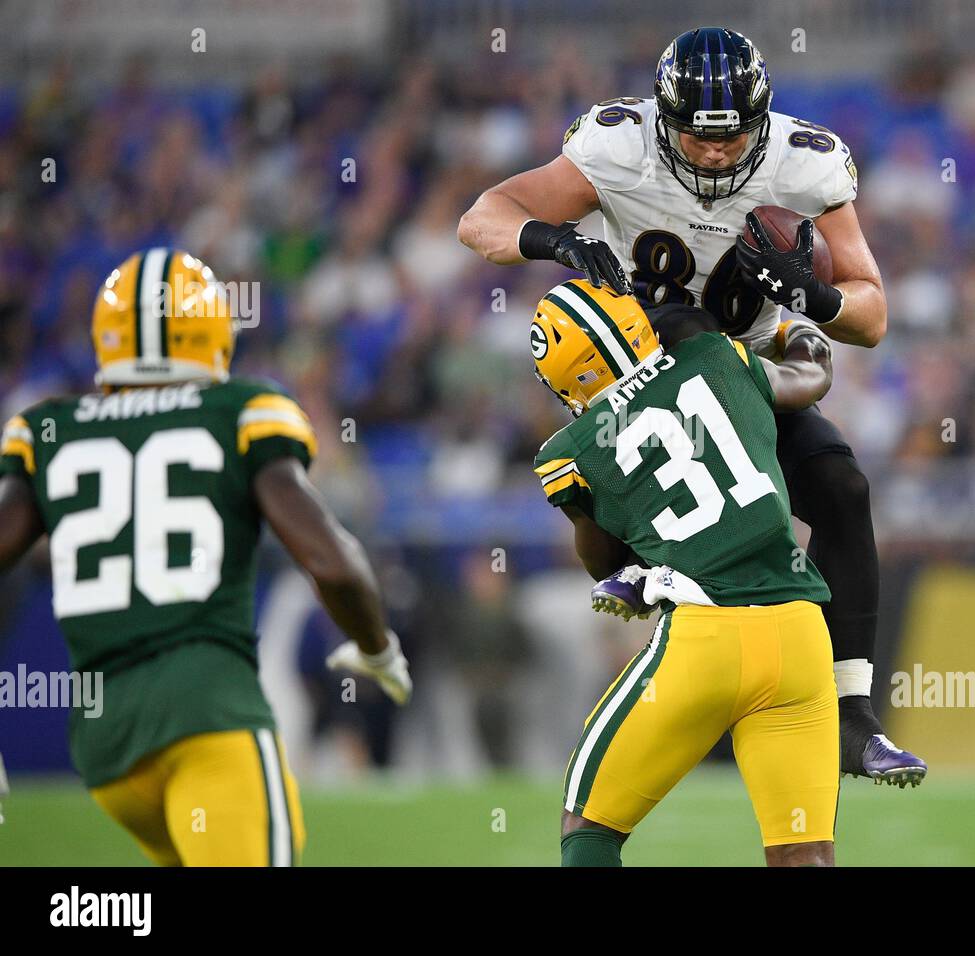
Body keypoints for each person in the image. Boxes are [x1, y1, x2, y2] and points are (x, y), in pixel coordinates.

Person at [460, 26, 925, 785]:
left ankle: (853, 716)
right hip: (648, 383)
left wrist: (807, 292)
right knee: (681, 322)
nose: (713, 153)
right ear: (661, 117)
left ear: (763, 119)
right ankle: (652, 563)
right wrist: (556, 240)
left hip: (748, 372)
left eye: (732, 136)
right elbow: (480, 216)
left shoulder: (802, 163)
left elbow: (871, 318)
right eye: (694, 136)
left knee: (843, 489)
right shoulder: (617, 148)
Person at [0, 248, 411, 865]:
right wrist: (376, 646)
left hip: (107, 748)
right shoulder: (239, 411)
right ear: (214, 330)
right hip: (206, 718)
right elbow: (331, 561)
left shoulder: (51, 429)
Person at [530, 277, 838, 866]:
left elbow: (604, 561)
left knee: (588, 825)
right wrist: (797, 332)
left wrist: (640, 572)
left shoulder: (567, 452)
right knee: (804, 851)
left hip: (706, 640)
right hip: (800, 633)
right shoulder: (713, 354)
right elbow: (810, 376)